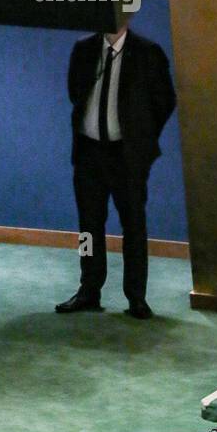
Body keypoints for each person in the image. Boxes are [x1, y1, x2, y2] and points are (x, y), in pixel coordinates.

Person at [56, 17, 177, 320]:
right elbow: (76, 93)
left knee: (134, 226)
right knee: (89, 227)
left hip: (127, 156)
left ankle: (136, 297)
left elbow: (165, 101)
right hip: (88, 152)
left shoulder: (148, 52)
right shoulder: (83, 49)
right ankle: (88, 289)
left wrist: (141, 140)